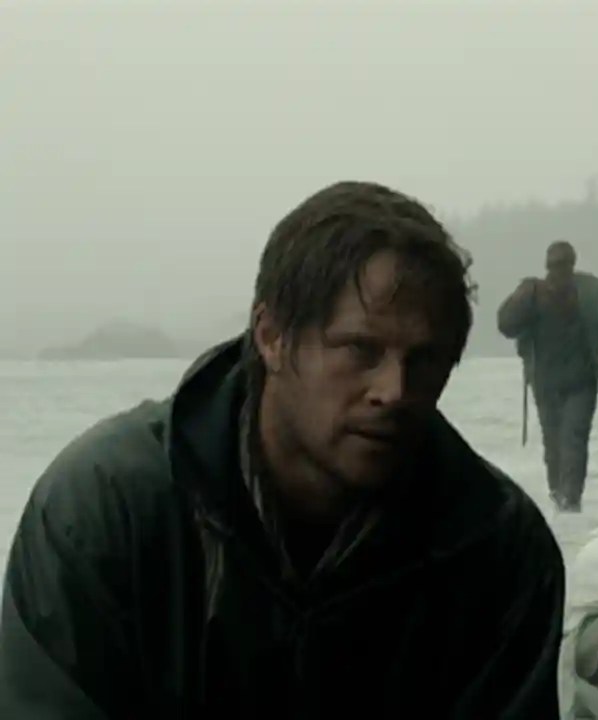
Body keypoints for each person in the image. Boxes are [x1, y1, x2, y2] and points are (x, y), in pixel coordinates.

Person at [0, 181, 566, 718]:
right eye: (359, 349)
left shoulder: (497, 550)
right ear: (270, 335)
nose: (394, 391)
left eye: (425, 360)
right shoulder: (105, 512)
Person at [497, 240, 598, 512]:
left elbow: (506, 325)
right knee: (566, 440)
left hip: (564, 382)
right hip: (565, 382)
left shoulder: (560, 290)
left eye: (561, 265)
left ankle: (565, 498)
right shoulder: (572, 290)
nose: (559, 271)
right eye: (557, 266)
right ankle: (566, 499)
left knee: (564, 440)